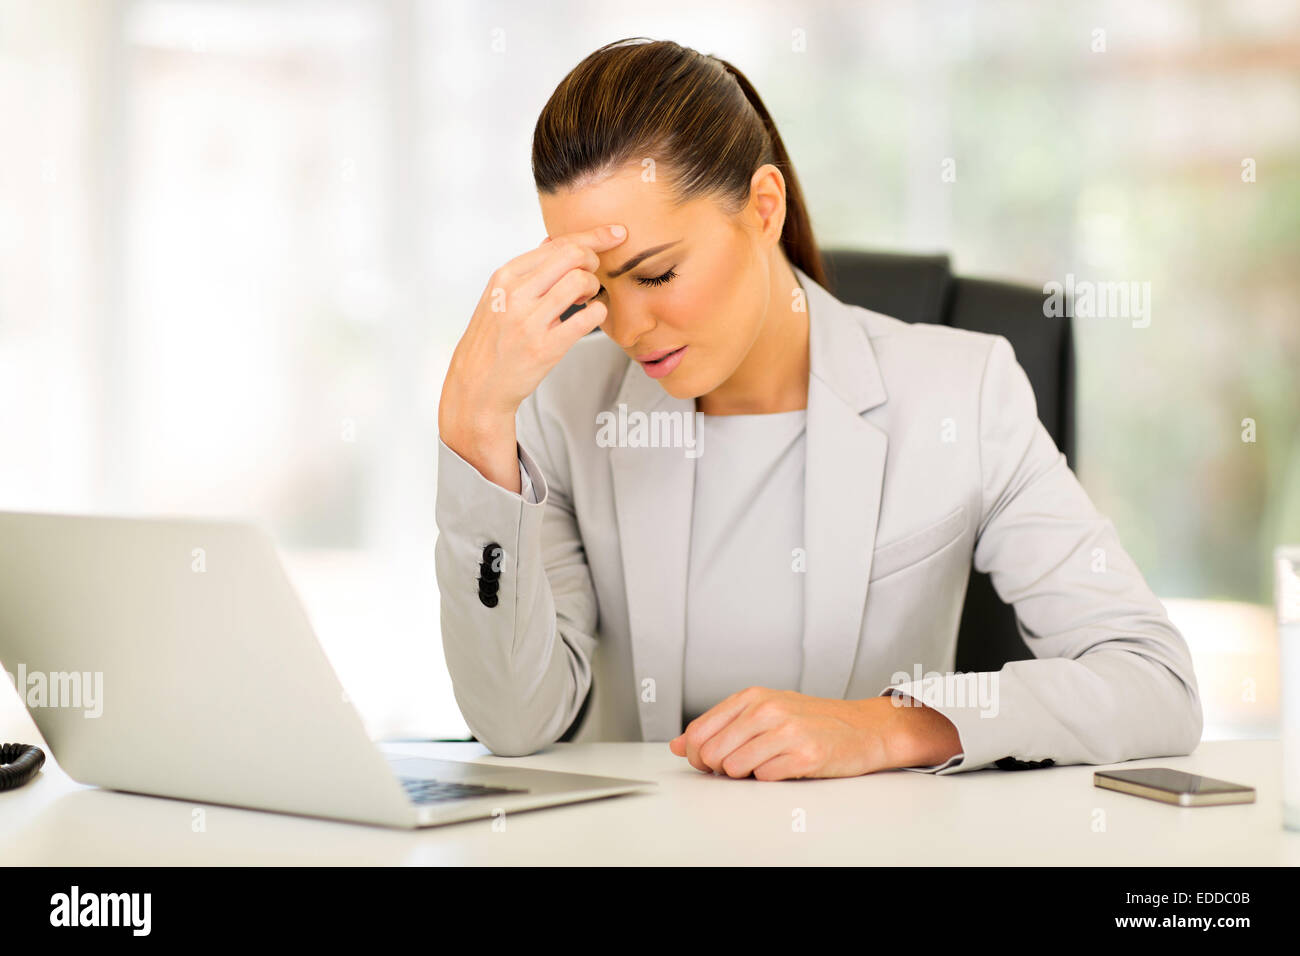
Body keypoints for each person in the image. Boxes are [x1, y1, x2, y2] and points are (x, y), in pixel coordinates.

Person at [434, 37, 1202, 780]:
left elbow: (1152, 682)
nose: (627, 329)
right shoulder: (570, 409)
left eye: (659, 274)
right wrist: (474, 426)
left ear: (763, 208)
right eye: (599, 289)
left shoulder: (961, 394)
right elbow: (514, 721)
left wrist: (890, 725)